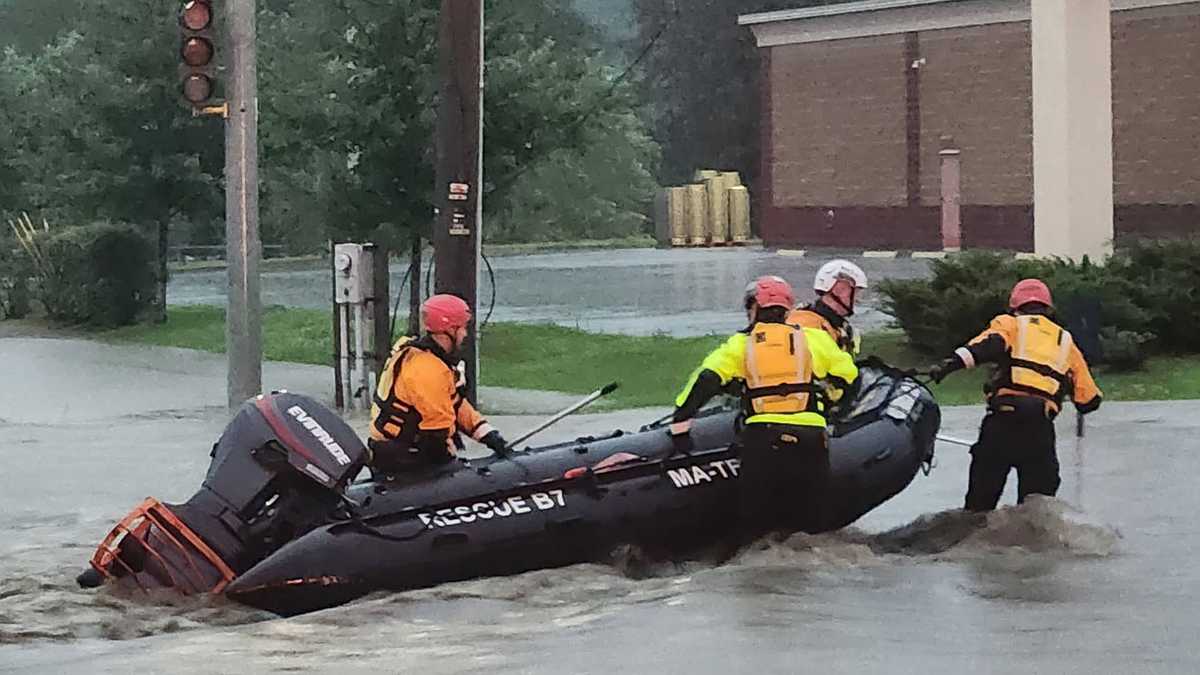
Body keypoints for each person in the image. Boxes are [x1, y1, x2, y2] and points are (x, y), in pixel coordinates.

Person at [671, 275, 859, 535]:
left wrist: (680, 424)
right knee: (811, 523)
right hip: (811, 440)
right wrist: (830, 402)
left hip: (764, 439)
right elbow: (849, 378)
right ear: (787, 310)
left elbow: (705, 380)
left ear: (754, 308)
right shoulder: (813, 339)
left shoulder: (741, 344)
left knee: (756, 524)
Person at [928, 278, 1102, 511]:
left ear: (1015, 307)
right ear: (1048, 309)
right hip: (1039, 431)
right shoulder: (1066, 342)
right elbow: (1089, 400)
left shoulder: (1009, 324)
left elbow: (984, 347)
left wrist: (947, 366)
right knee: (1037, 511)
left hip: (1002, 424)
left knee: (979, 506)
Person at [369, 294, 508, 473]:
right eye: (462, 328)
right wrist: (451, 463)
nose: (465, 334)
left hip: (398, 449)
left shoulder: (422, 355)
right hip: (404, 458)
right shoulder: (428, 370)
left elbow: (454, 402)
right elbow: (436, 432)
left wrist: (487, 434)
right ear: (450, 329)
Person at [787, 259, 869, 355]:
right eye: (856, 292)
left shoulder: (833, 324)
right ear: (839, 289)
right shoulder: (809, 324)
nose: (857, 300)